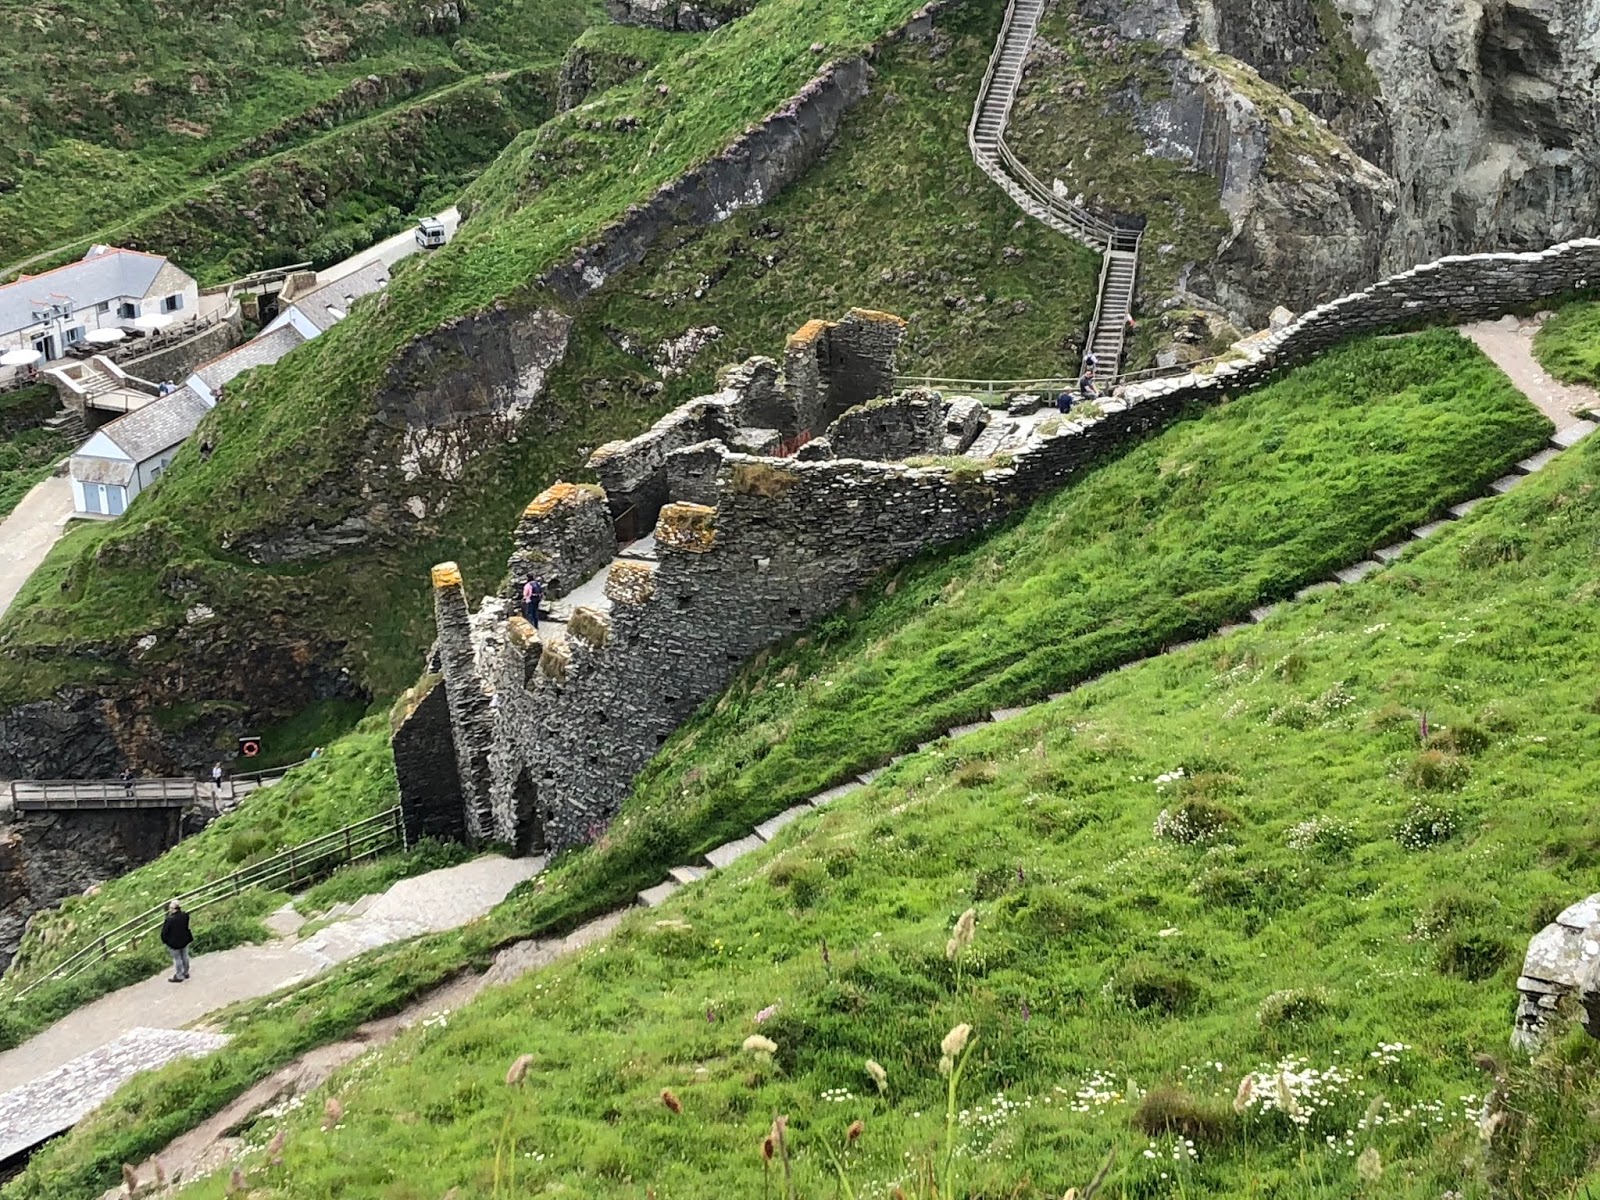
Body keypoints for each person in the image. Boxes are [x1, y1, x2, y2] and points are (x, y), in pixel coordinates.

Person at [161, 901, 193, 982]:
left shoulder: (169, 920)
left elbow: (164, 932)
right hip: (184, 939)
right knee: (185, 956)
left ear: (172, 909)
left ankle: (179, 975)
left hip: (173, 943)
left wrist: (165, 941)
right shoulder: (185, 915)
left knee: (177, 958)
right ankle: (185, 972)